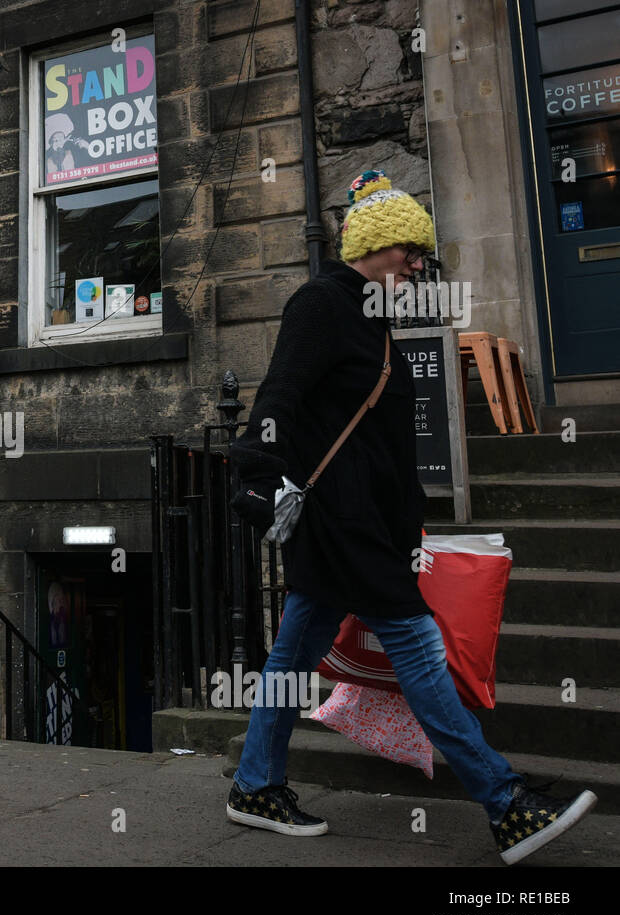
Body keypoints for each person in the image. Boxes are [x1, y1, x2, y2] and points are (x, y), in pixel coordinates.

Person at [225, 170, 596, 865]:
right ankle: (506, 802)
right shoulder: (321, 305)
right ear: (376, 244)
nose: (421, 265)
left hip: (365, 531)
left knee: (290, 660)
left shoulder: (376, 319)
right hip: (342, 526)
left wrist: (405, 527)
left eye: (423, 255)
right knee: (422, 655)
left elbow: (378, 445)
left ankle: (254, 786)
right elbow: (278, 399)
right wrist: (258, 475)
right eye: (411, 252)